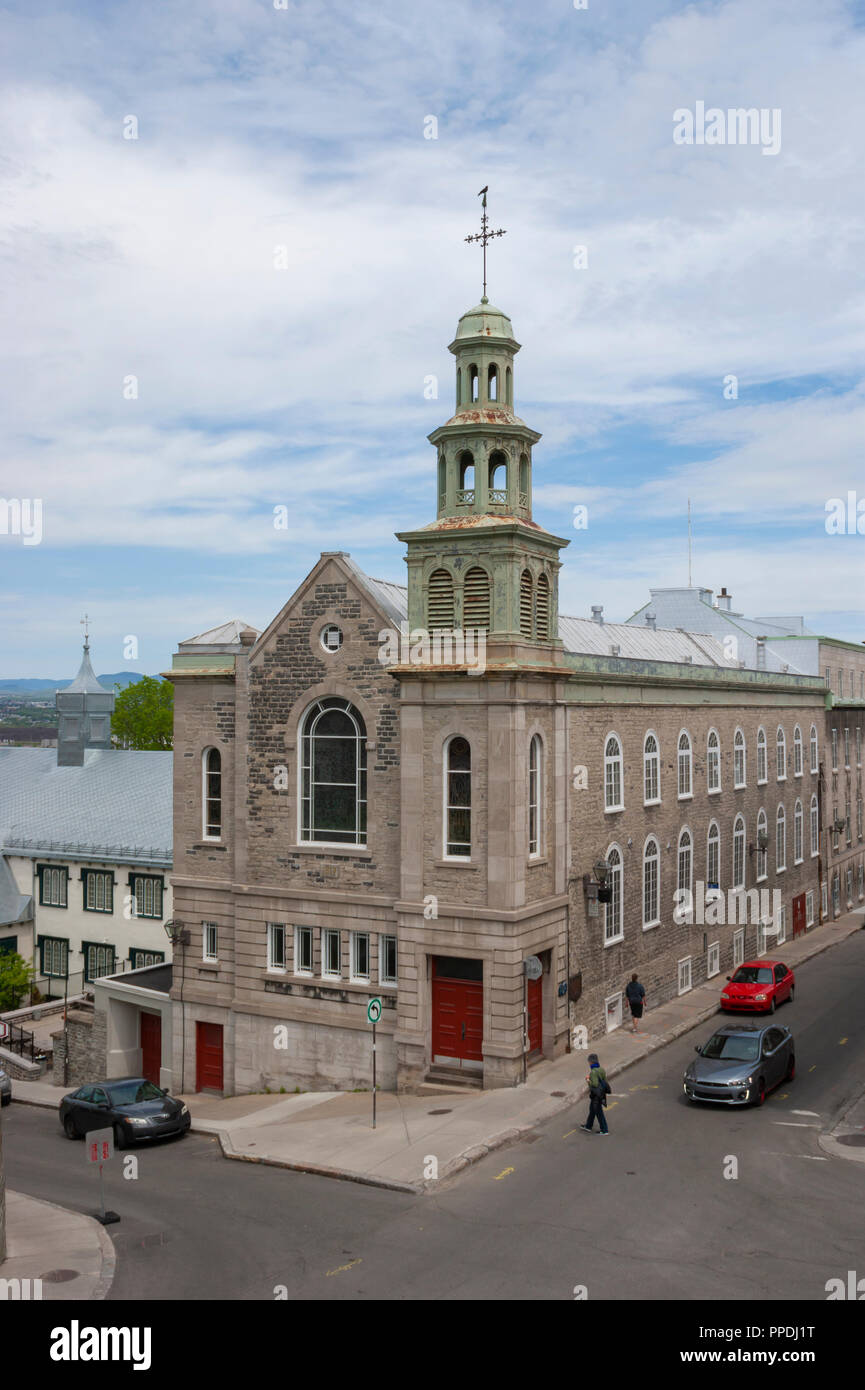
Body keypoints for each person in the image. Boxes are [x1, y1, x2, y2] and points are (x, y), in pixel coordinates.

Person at [580, 1052, 610, 1134]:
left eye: (589, 1061)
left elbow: (595, 1084)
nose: (589, 1063)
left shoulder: (593, 1072)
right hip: (601, 1093)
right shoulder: (601, 1069)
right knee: (592, 1110)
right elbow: (604, 1080)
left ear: (591, 1062)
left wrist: (588, 1080)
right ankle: (588, 1126)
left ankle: (604, 1130)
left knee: (599, 1112)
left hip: (596, 1095)